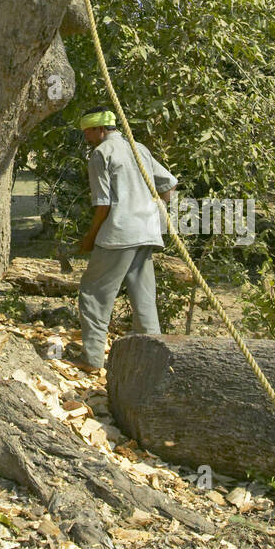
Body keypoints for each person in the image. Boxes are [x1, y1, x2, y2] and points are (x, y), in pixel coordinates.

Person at [72, 108, 177, 373]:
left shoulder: (101, 153)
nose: (85, 136)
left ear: (100, 129)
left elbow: (103, 204)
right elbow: (169, 185)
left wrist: (90, 238)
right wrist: (154, 214)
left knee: (93, 295)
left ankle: (92, 359)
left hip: (118, 235)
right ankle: (154, 362)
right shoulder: (137, 147)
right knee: (144, 299)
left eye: (87, 130)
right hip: (146, 233)